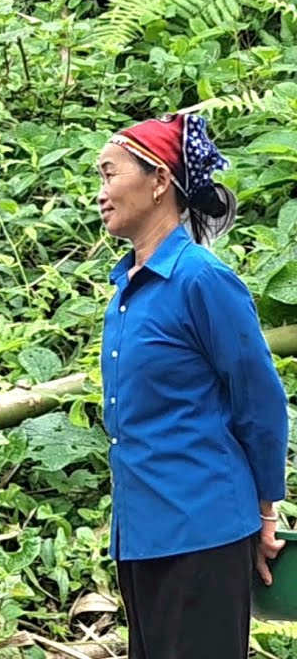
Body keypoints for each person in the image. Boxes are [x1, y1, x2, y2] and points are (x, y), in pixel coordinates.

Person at [95, 112, 289, 659]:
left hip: (203, 530)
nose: (101, 193)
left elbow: (261, 399)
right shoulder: (128, 288)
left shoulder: (201, 279)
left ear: (158, 181)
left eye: (110, 175)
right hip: (142, 532)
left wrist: (266, 510)